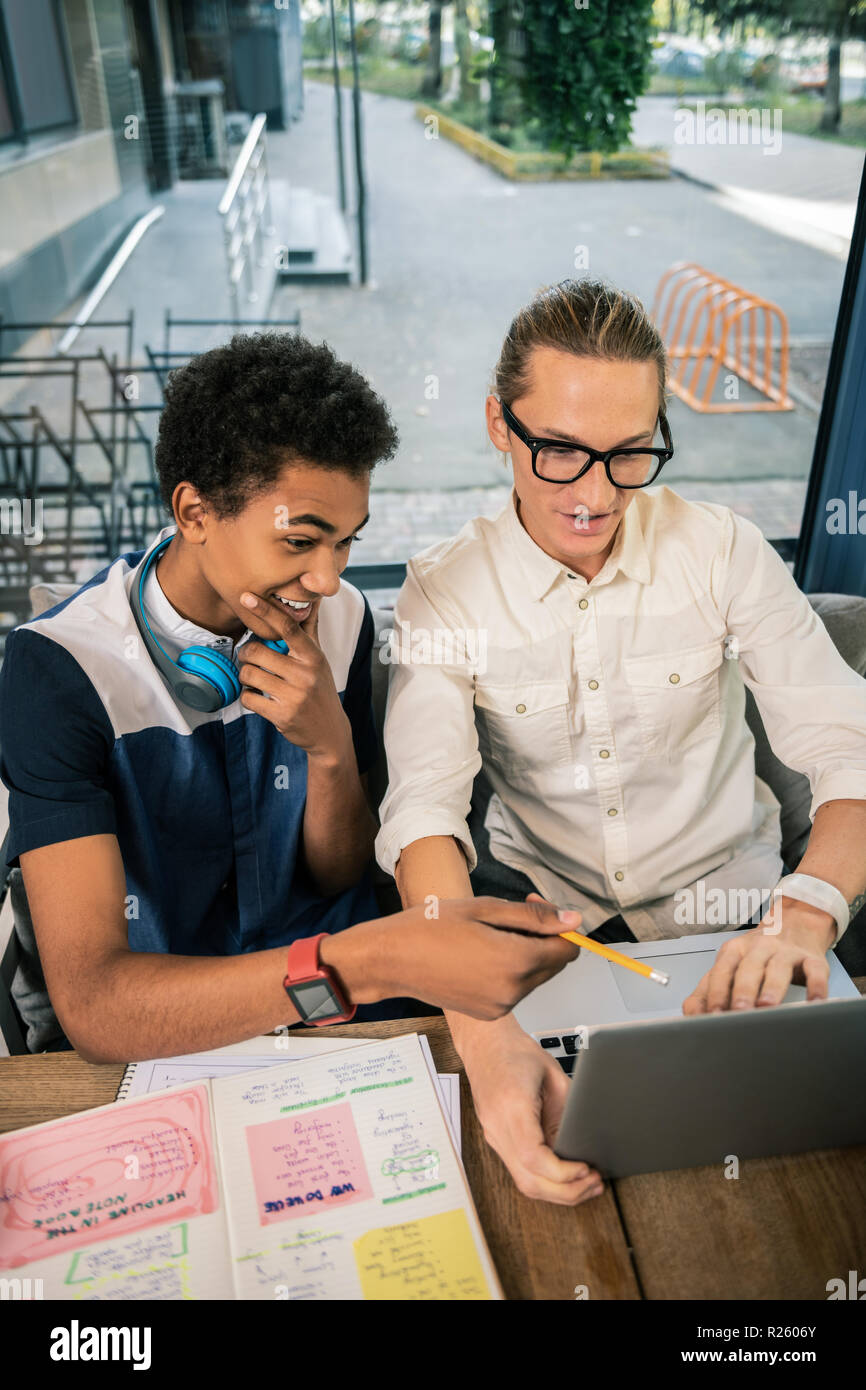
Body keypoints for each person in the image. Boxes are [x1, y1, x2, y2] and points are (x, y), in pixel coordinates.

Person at [375, 277, 866, 1207]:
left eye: (631, 453)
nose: (596, 495)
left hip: (743, 921)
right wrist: (481, 1038)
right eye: (559, 451)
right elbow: (423, 815)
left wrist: (805, 913)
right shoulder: (443, 591)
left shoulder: (721, 550)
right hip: (552, 937)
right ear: (496, 424)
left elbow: (853, 747)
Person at [0, 333, 580, 1062]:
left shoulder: (341, 621)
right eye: (301, 542)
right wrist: (365, 960)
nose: (329, 579)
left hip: (340, 1017)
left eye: (345, 542)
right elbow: (98, 1009)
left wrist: (330, 748)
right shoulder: (63, 668)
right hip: (176, 1032)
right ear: (194, 513)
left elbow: (335, 875)